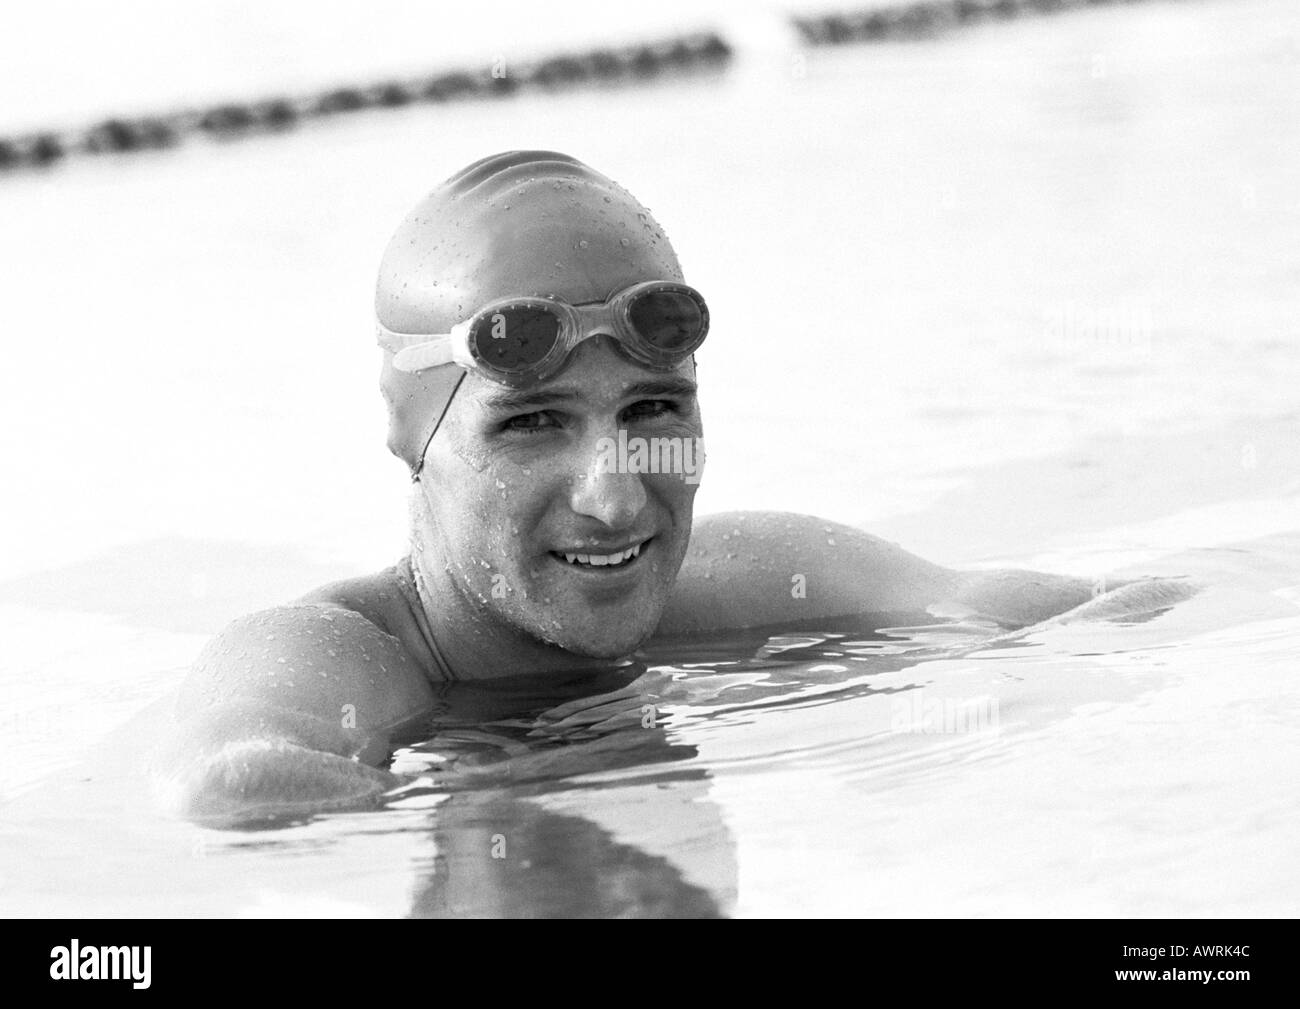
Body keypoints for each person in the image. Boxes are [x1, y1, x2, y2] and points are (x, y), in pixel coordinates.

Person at [156, 150, 1190, 822]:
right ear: (411, 437)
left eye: (653, 413)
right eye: (532, 424)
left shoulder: (751, 582)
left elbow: (1098, 609)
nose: (614, 499)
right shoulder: (341, 655)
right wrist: (503, 795)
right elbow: (229, 787)